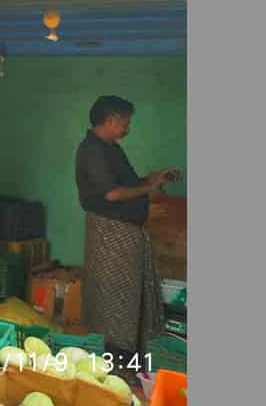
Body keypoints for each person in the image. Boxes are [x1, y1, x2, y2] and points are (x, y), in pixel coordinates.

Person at [75, 95, 180, 371]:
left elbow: (128, 185)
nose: (127, 129)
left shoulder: (110, 148)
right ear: (110, 120)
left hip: (125, 234)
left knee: (126, 302)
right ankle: (115, 365)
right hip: (109, 237)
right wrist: (147, 189)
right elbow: (112, 193)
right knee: (112, 305)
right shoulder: (91, 150)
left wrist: (154, 179)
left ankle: (126, 362)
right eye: (125, 123)